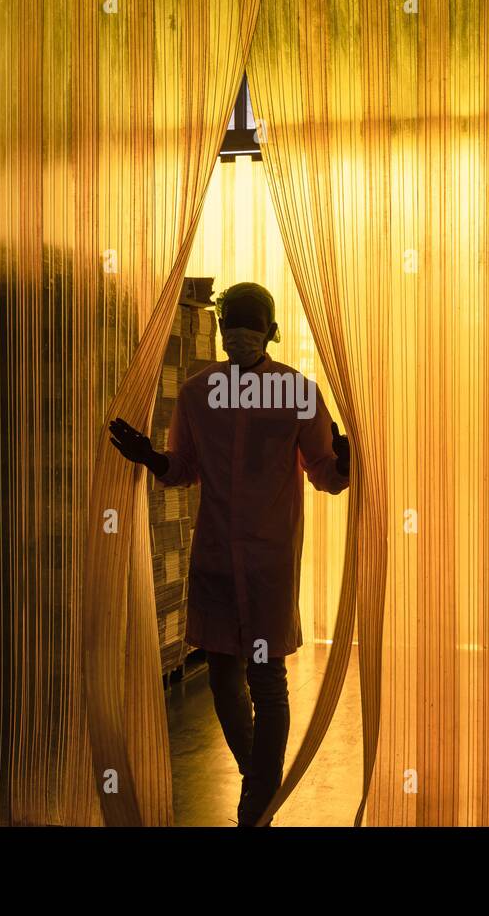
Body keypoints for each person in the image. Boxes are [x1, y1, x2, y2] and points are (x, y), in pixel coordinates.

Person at [108, 282, 350, 827]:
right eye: (230, 329)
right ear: (220, 332)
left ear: (270, 331)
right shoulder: (197, 393)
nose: (238, 338)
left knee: (265, 677)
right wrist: (152, 458)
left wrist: (349, 464)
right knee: (222, 675)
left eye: (249, 328)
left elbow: (324, 475)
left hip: (268, 560)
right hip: (216, 556)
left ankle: (257, 803)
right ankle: (259, 776)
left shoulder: (298, 394)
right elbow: (184, 468)